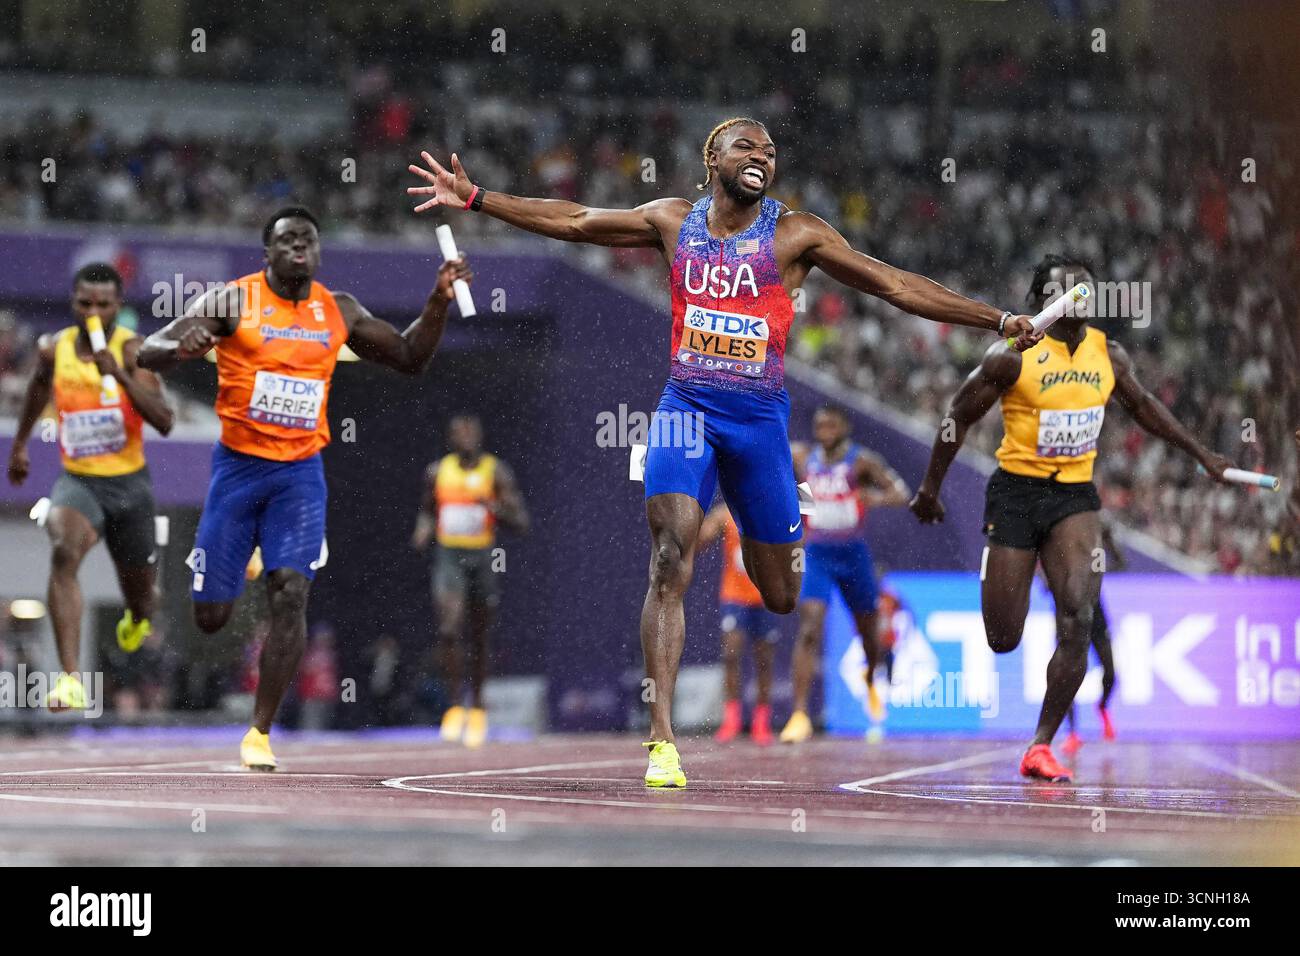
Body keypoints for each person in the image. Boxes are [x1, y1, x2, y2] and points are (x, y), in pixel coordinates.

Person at [409, 118, 1041, 787]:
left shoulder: (799, 233)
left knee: (780, 593)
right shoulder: (671, 220)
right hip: (686, 409)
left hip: (760, 423)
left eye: (770, 151)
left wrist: (995, 319)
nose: (761, 157)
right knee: (670, 556)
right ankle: (662, 741)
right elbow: (574, 219)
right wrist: (478, 198)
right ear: (711, 158)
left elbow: (895, 284)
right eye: (746, 146)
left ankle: (773, 508)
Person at [138, 206, 471, 770]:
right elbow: (147, 353)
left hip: (299, 475)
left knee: (292, 592)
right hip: (238, 472)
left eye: (308, 240)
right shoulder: (230, 302)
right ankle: (226, 574)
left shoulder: (337, 310)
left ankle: (259, 734)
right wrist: (182, 347)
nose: (298, 246)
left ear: (317, 253)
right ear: (266, 253)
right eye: (286, 239)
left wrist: (438, 300)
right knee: (212, 615)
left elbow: (410, 357)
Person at [909, 253, 1233, 781]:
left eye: (1087, 287)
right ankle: (1006, 595)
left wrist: (1204, 456)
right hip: (1015, 493)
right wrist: (929, 489)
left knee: (1079, 617)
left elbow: (1147, 409)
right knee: (1002, 637)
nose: (1080, 294)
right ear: (1043, 302)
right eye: (1067, 288)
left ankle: (1041, 744)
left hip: (1074, 497)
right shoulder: (1010, 357)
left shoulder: (1111, 355)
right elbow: (958, 417)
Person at [6, 263, 174, 710]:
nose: (94, 312)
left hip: (130, 486)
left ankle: (136, 617)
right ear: (73, 303)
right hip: (79, 480)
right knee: (64, 551)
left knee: (143, 600)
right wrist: (20, 444)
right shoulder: (53, 348)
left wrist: (118, 374)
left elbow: (165, 421)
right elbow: (38, 392)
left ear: (119, 305)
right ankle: (70, 679)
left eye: (104, 304)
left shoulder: (134, 350)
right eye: (86, 303)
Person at [782, 405, 910, 742]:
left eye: (831, 425)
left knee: (869, 632)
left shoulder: (861, 461)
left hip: (854, 554)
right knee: (809, 627)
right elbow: (774, 463)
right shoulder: (802, 456)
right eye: (819, 424)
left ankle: (870, 679)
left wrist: (873, 497)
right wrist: (800, 505)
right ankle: (799, 715)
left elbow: (901, 493)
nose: (824, 430)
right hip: (819, 552)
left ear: (845, 428)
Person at [411, 414, 529, 748]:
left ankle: (476, 707)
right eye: (457, 434)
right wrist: (423, 530)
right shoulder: (437, 472)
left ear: (480, 437)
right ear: (449, 440)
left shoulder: (496, 472)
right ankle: (453, 707)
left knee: (478, 636)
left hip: (482, 558)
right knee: (448, 628)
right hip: (450, 557)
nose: (464, 438)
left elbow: (521, 520)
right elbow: (427, 509)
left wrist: (493, 506)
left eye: (470, 432)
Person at [697, 503, 780, 745]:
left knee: (764, 660)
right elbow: (701, 540)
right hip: (734, 595)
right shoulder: (726, 514)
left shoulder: (771, 509)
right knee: (731, 654)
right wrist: (702, 525)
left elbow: (797, 536)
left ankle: (761, 722)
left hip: (765, 594)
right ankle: (731, 719)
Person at [1060, 519, 1124, 754]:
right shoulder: (1060, 531)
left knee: (1111, 672)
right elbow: (1046, 574)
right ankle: (1073, 732)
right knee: (1067, 675)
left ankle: (1103, 706)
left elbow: (1121, 563)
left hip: (1096, 613)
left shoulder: (1099, 530)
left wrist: (1105, 548)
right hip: (1070, 613)